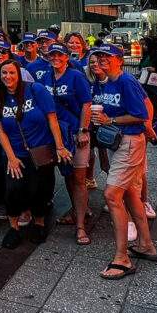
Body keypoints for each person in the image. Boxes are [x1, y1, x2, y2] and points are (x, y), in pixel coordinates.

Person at [89, 45, 157, 279]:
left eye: (106, 57)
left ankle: (122, 258)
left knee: (111, 195)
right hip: (117, 142)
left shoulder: (126, 81)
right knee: (130, 194)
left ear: (119, 60)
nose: (101, 61)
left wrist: (111, 118)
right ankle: (145, 245)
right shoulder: (103, 83)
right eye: (98, 57)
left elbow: (140, 113)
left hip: (129, 142)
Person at [0, 60, 70, 249]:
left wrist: (59, 146)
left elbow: (52, 119)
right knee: (13, 190)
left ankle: (39, 223)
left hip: (40, 150)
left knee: (41, 190)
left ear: (19, 74)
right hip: (15, 153)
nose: (7, 77)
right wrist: (11, 157)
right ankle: (14, 227)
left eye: (11, 73)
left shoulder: (36, 90)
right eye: (4, 73)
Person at [43, 43, 93, 245]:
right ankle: (74, 212)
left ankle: (81, 226)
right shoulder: (45, 77)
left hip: (74, 132)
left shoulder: (75, 76)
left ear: (66, 57)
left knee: (79, 178)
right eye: (52, 55)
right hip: (55, 135)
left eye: (59, 55)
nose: (55, 58)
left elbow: (86, 104)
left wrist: (83, 130)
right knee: (68, 176)